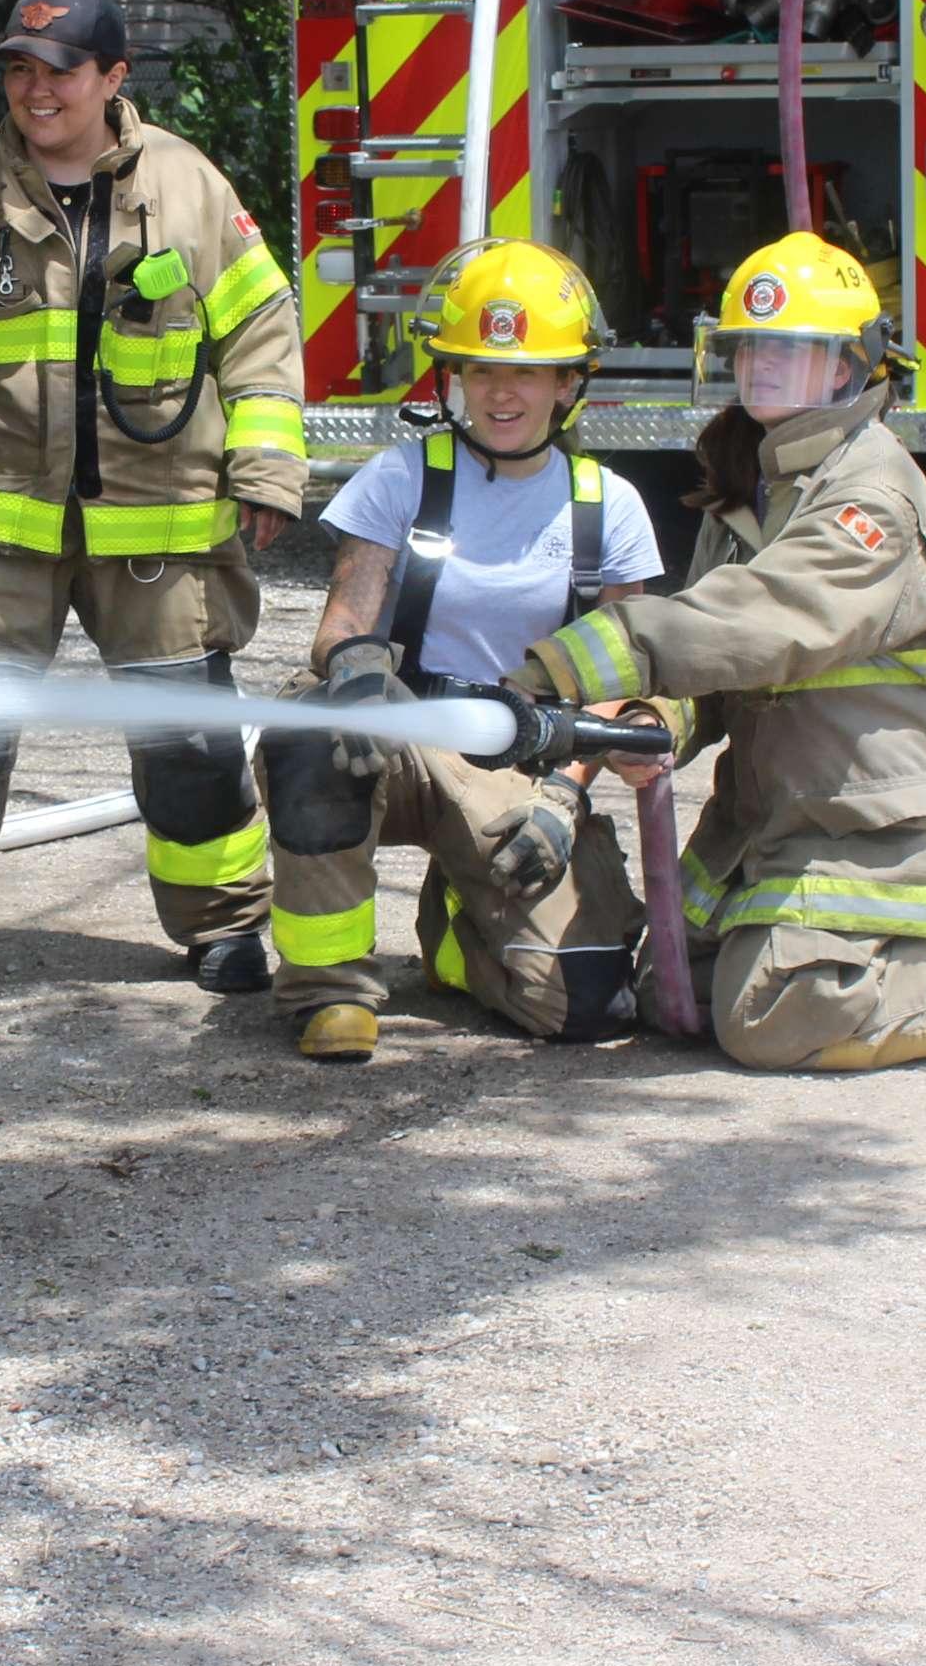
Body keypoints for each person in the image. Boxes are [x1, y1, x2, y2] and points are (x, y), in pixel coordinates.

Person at [495, 232, 926, 1067]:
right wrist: (657, 718)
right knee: (675, 988)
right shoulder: (750, 484)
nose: (763, 366)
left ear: (849, 368)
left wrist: (563, 665)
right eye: (749, 347)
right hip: (777, 810)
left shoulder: (869, 494)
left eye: (792, 348)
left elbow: (765, 619)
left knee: (776, 1016)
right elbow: (715, 658)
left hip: (874, 805)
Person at [0, 0, 307, 1027]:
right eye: (20, 71)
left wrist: (266, 469)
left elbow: (262, 337)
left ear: (114, 77)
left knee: (189, 742)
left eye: (61, 72)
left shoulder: (188, 187)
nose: (37, 92)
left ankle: (223, 927)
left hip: (161, 529)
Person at [259, 241, 666, 1064]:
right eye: (479, 371)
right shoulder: (404, 477)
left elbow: (623, 683)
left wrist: (564, 796)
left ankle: (456, 930)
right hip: (405, 738)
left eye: (526, 373)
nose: (501, 393)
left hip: (528, 759)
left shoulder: (608, 507)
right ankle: (329, 989)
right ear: (454, 379)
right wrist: (355, 675)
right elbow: (342, 623)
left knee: (589, 1003)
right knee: (311, 738)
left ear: (568, 384)